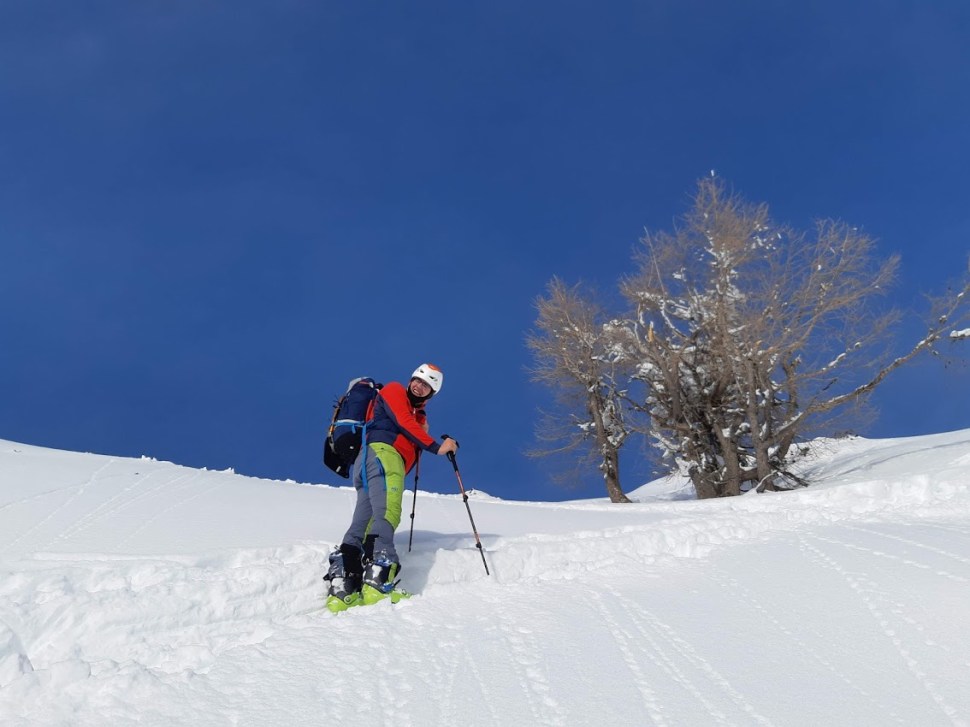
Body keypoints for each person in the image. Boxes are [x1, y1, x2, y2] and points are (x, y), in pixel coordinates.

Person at [325, 363, 458, 611]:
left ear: (431, 394)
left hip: (370, 462)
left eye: (426, 386)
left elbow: (407, 424)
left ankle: (343, 588)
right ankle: (378, 583)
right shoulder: (395, 391)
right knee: (388, 512)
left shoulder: (418, 417)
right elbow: (403, 420)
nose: (419, 386)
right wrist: (435, 446)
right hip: (384, 456)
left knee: (363, 523)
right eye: (417, 380)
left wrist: (421, 431)